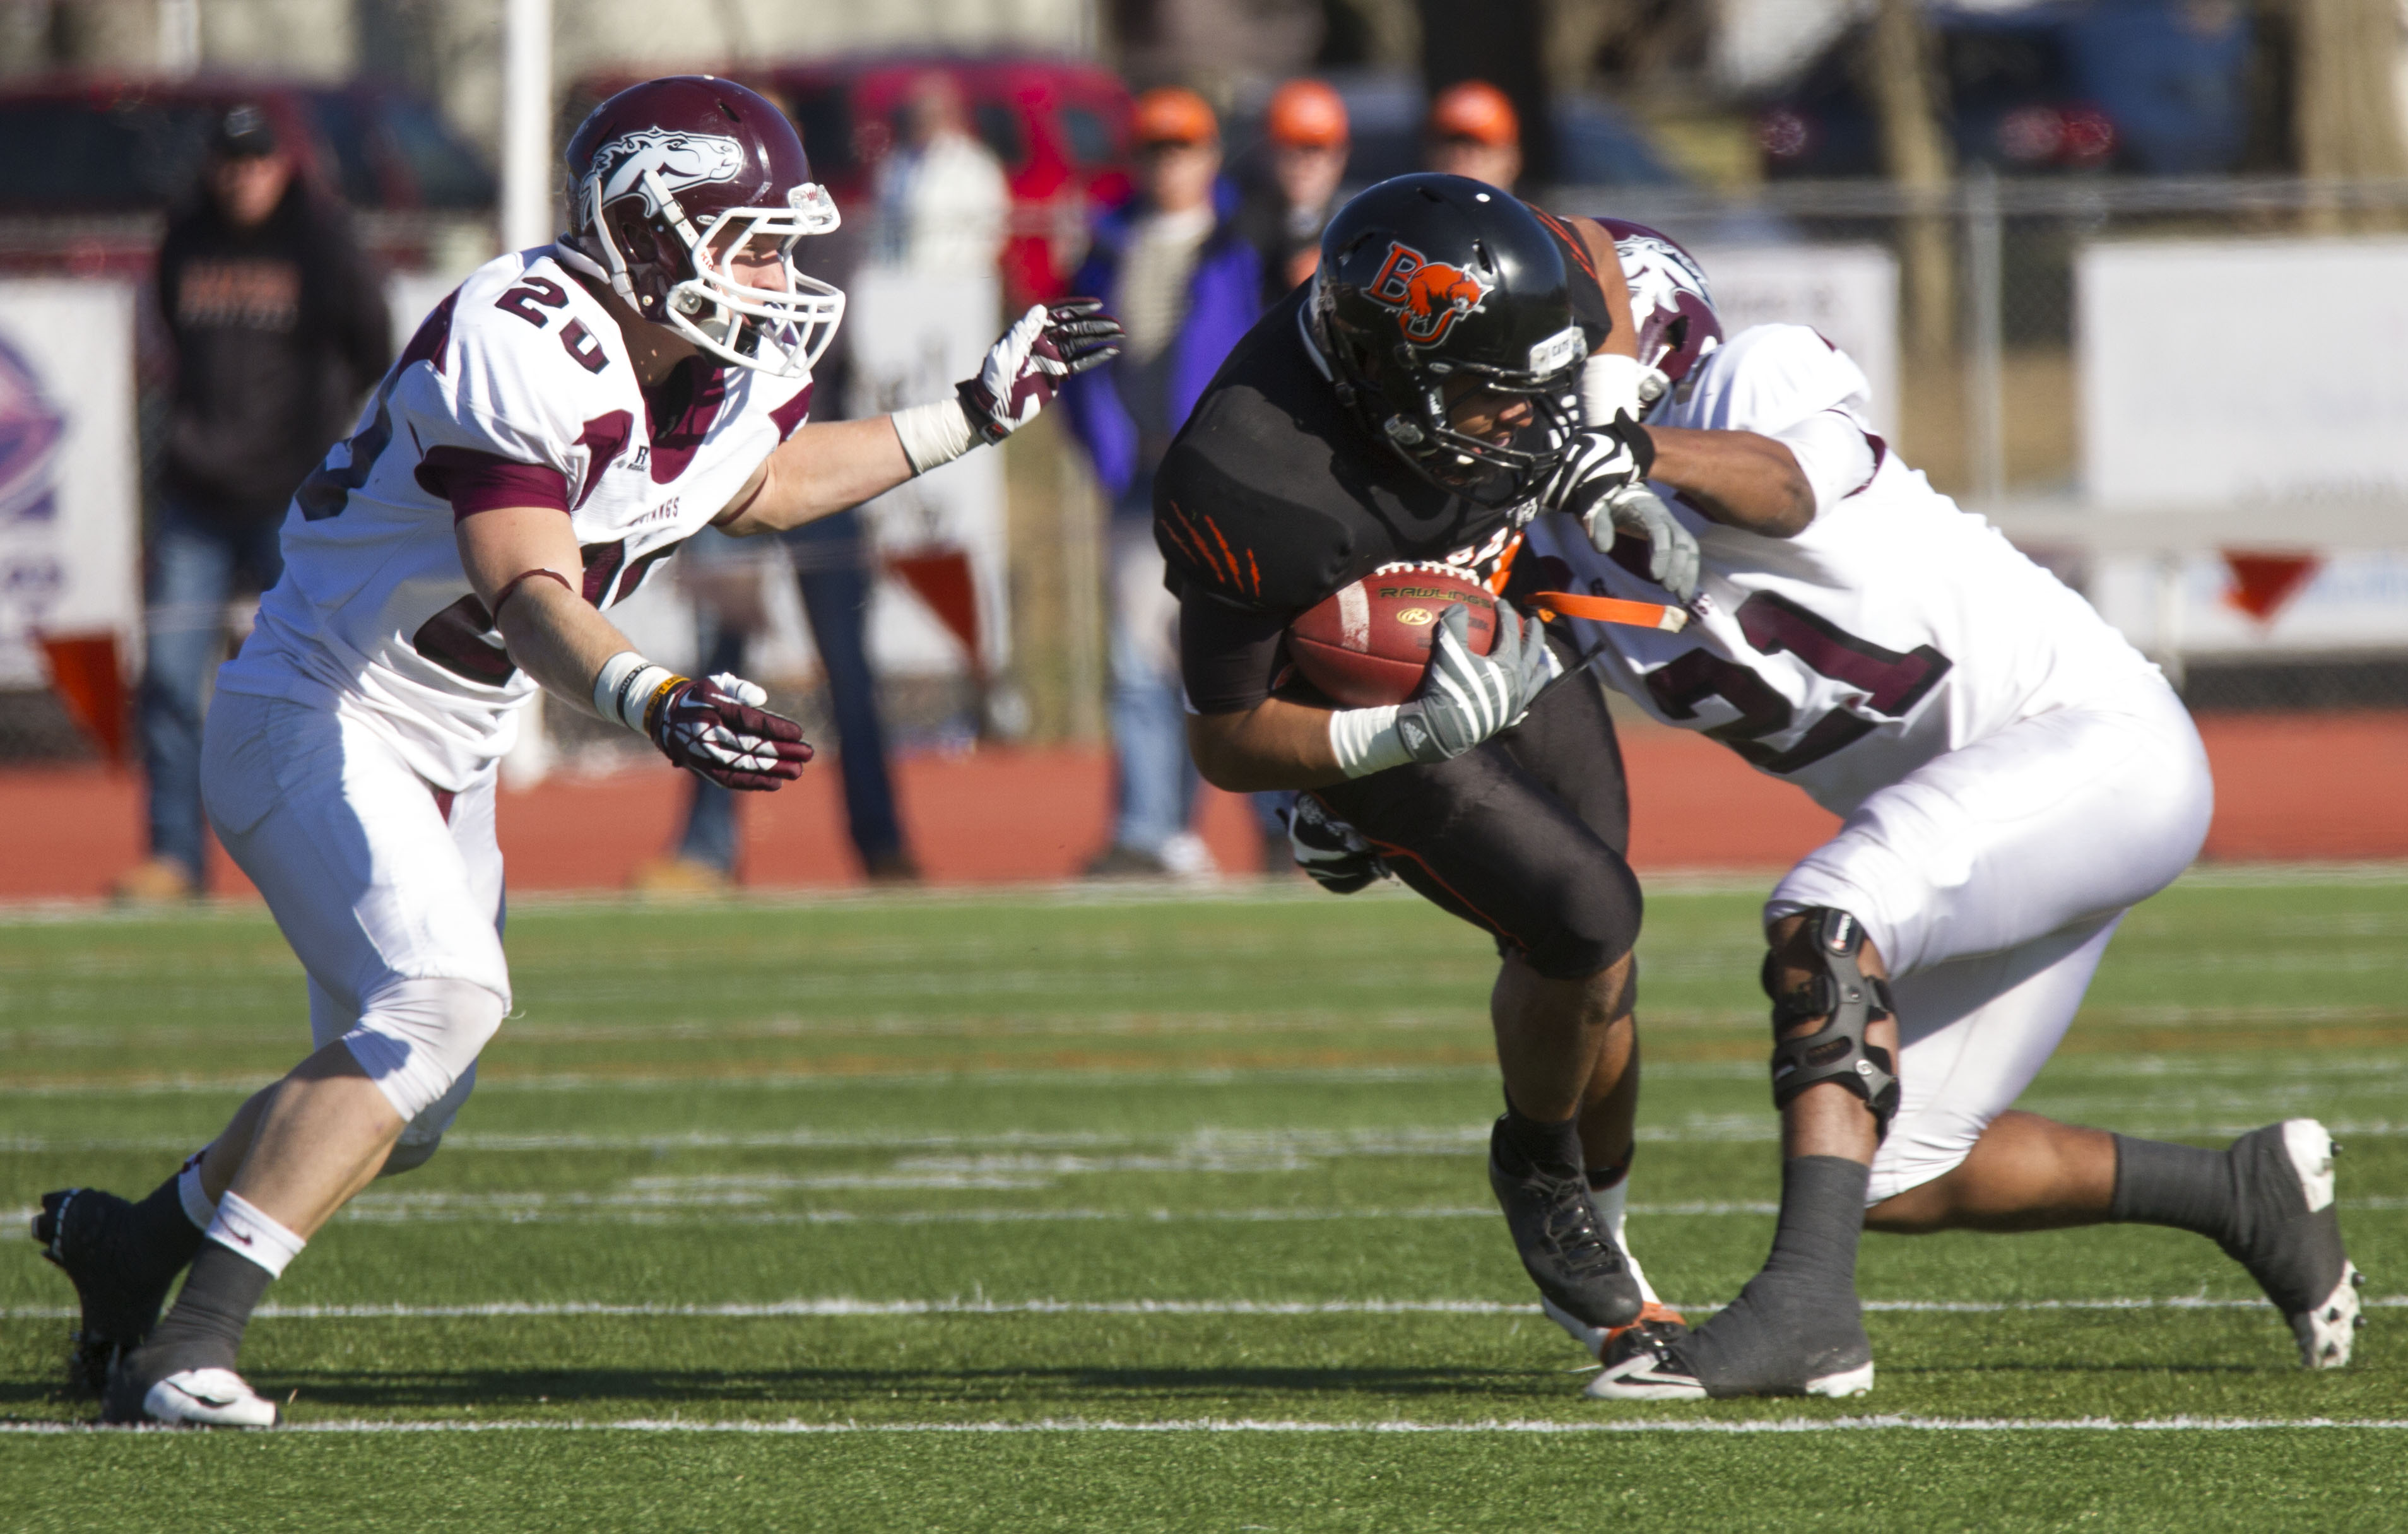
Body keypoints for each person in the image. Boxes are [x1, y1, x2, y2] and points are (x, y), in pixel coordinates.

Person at [31, 76, 1121, 1427]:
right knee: (439, 1004)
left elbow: (761, 486)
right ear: (646, 233)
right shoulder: (524, 332)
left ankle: (135, 1246)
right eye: (755, 241)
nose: (783, 274)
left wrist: (970, 413)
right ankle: (185, 1350)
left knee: (406, 1109)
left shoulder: (711, 350)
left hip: (457, 744)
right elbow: (531, 594)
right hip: (325, 708)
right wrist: (653, 697)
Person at [1501, 221, 2361, 1398]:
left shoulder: (1753, 372)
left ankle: (1808, 1320)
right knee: (1897, 1171)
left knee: (1826, 909)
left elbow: (1787, 487)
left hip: (2091, 747)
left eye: (1545, 363)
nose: (1521, 397)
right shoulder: (1554, 542)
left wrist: (1627, 442)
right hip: (1986, 816)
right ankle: (2240, 1194)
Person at [1155, 174, 1696, 1349]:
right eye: (1495, 400)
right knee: (1587, 917)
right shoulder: (1255, 479)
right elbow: (1222, 735)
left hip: (1492, 618)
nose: (1523, 424)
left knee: (1602, 964)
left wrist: (1602, 450)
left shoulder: (1465, 308)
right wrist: (1391, 739)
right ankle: (1542, 1174)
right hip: (1373, 695)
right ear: (1384, 378)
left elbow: (1593, 255)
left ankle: (1610, 1244)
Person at [115, 104, 391, 902]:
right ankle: (174, 857)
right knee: (169, 678)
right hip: (197, 494)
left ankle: (325, 850)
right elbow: (166, 332)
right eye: (228, 162)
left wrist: (325, 437)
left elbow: (373, 345)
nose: (241, 176)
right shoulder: (187, 236)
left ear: (283, 165)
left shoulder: (322, 241)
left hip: (293, 498)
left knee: (316, 679)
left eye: (256, 161)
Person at [1059, 88, 1266, 877]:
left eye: (1182, 148)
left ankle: (1280, 830)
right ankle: (1150, 830)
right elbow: (1077, 357)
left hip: (1226, 479)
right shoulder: (1111, 242)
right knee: (1136, 653)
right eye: (1155, 148)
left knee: (1233, 649)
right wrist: (1099, 444)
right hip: (1138, 479)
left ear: (1210, 155)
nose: (1168, 163)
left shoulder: (1240, 240)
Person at [632, 513, 917, 891]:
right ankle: (705, 851)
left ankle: (884, 847)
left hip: (820, 470)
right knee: (717, 676)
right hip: (733, 479)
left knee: (850, 672)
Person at [870, 71, 1012, 280]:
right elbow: (881, 223)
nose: (923, 123)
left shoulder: (976, 166)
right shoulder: (896, 165)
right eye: (917, 115)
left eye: (931, 115)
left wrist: (960, 267)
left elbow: (994, 228)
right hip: (904, 278)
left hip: (961, 279)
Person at [1238, 78, 1350, 305]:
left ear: (1340, 155)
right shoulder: (1239, 235)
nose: (1303, 162)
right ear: (1267, 152)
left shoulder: (1359, 233)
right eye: (1289, 145)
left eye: (1315, 148)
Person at [1425, 80, 1523, 192]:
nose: (1459, 157)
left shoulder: (1537, 208)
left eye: (1477, 147)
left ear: (1510, 161)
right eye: (1451, 145)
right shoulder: (1409, 206)